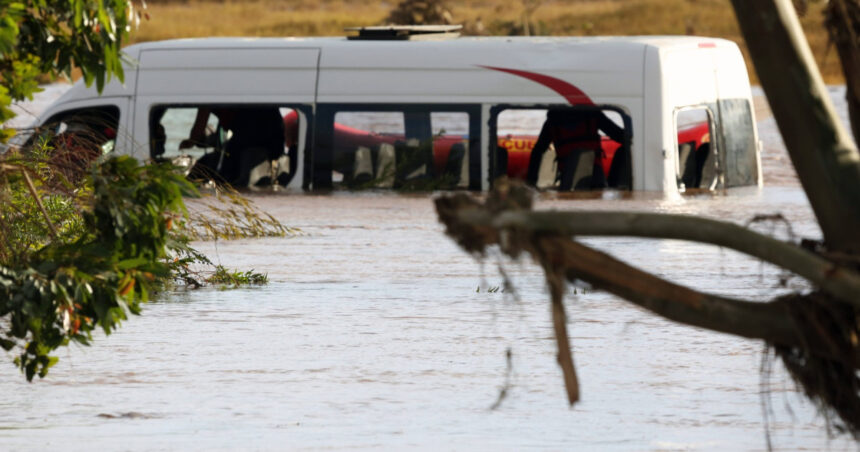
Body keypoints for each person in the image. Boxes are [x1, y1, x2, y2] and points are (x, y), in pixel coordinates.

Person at [180, 106, 285, 187]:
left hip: (251, 133)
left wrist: (189, 142)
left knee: (228, 172)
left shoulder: (206, 93)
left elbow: (198, 129)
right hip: (274, 134)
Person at [525, 109, 625, 190]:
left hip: (568, 180)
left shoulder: (552, 121)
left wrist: (531, 182)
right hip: (596, 179)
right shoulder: (593, 114)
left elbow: (538, 151)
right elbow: (622, 137)